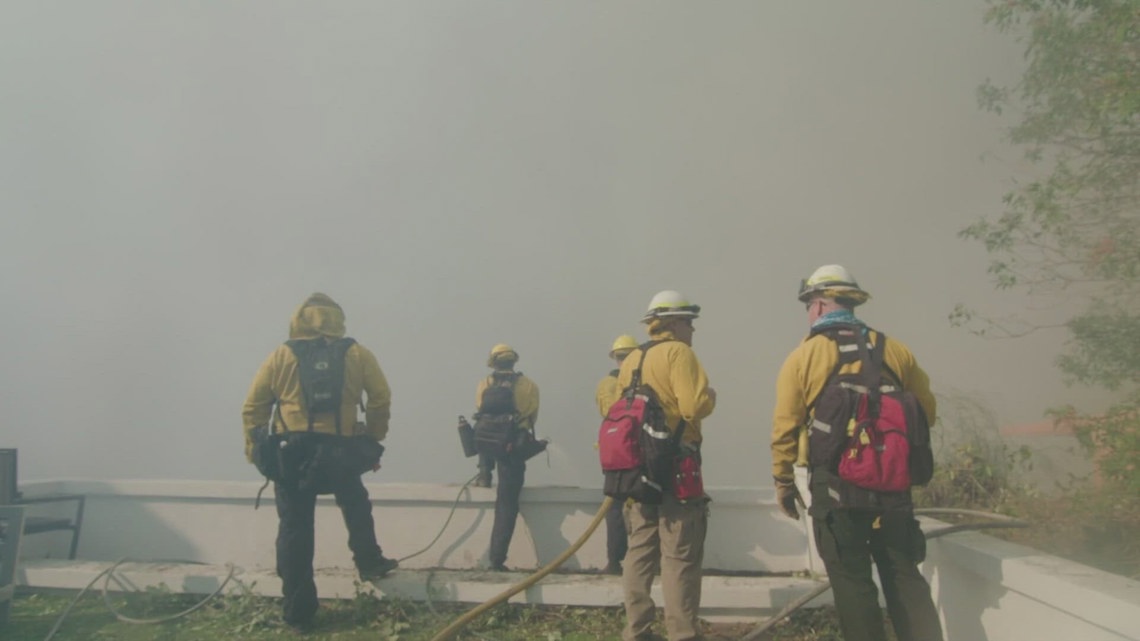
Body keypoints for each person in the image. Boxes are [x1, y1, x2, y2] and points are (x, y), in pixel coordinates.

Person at [770, 265, 943, 641]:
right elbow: (926, 413)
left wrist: (783, 480)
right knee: (904, 575)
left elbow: (785, 427)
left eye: (808, 305)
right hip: (892, 485)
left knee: (852, 583)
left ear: (818, 305)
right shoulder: (895, 350)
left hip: (836, 487)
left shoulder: (804, 356)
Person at [242, 293, 397, 630]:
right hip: (340, 449)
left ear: (298, 319)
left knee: (295, 528)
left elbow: (253, 406)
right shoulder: (357, 353)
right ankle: (369, 562)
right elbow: (380, 397)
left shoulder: (281, 355)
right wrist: (373, 436)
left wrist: (255, 450)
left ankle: (299, 614)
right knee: (355, 503)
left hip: (292, 452)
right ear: (337, 319)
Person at [617, 291, 715, 641]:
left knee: (639, 550)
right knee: (679, 553)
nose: (692, 329)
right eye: (688, 322)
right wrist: (710, 397)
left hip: (637, 468)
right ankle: (682, 634)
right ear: (673, 323)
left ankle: (636, 630)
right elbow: (692, 406)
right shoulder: (679, 353)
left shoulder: (631, 359)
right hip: (677, 465)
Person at [473, 343, 540, 571]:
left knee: (484, 435)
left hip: (488, 446)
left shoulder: (484, 384)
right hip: (513, 448)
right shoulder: (529, 385)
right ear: (514, 361)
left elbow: (481, 412)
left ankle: (484, 473)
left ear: (493, 363)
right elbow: (532, 417)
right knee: (507, 503)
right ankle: (497, 559)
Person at [595, 334, 639, 575]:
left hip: (615, 453)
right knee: (646, 506)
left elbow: (607, 411)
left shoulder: (607, 384)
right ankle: (642, 561)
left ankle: (614, 560)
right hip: (640, 451)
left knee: (614, 507)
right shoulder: (646, 382)